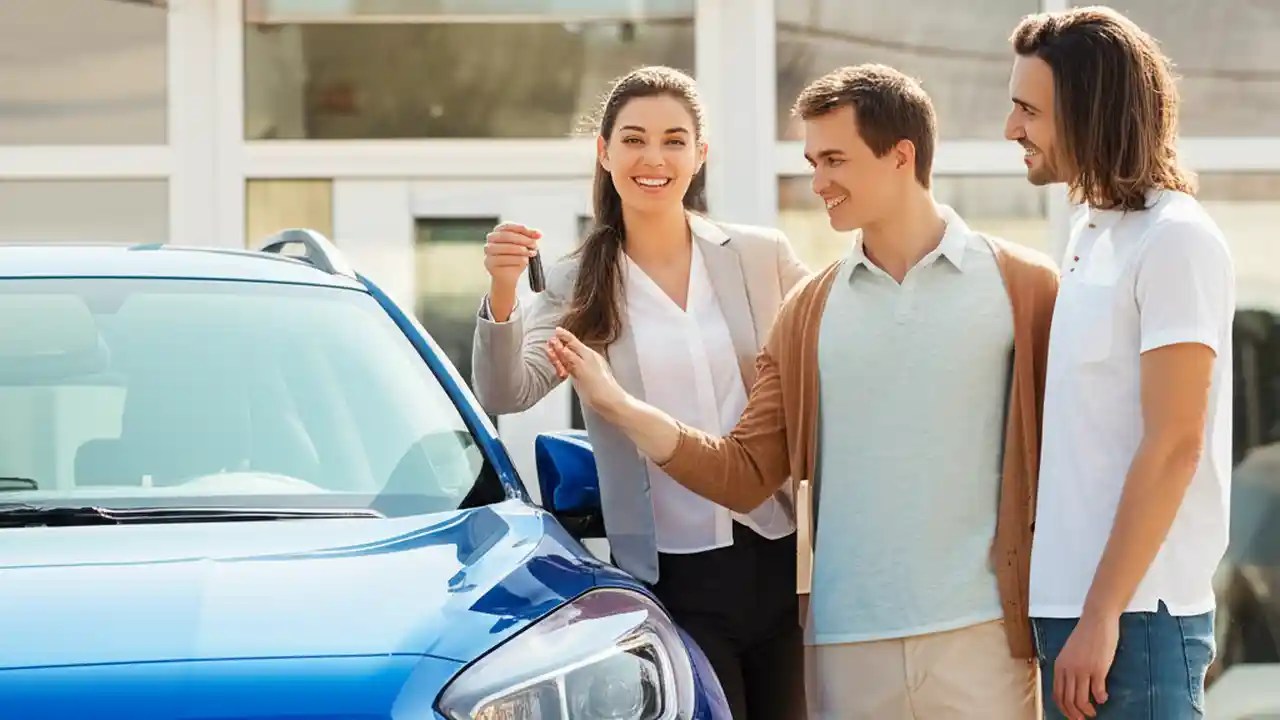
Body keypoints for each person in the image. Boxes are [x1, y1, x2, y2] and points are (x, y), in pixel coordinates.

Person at [546, 64, 1059, 720]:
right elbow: (745, 473)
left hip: (984, 639)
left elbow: (1073, 462)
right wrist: (616, 405)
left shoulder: (1024, 288)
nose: (817, 183)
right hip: (846, 649)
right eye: (813, 161)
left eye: (835, 159)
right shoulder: (808, 310)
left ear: (901, 156)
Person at [470, 65, 809, 720]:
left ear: (700, 155)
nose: (653, 158)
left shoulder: (760, 257)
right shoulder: (576, 282)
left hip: (778, 559)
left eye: (675, 140)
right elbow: (508, 390)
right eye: (633, 139)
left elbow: (828, 356)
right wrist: (505, 290)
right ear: (604, 152)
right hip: (671, 575)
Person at [1005, 8, 1236, 720]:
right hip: (1072, 615)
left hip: (1133, 620)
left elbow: (1175, 444)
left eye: (1028, 111)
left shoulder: (1176, 239)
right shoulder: (1089, 233)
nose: (1012, 130)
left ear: (1088, 112)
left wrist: (1102, 614)